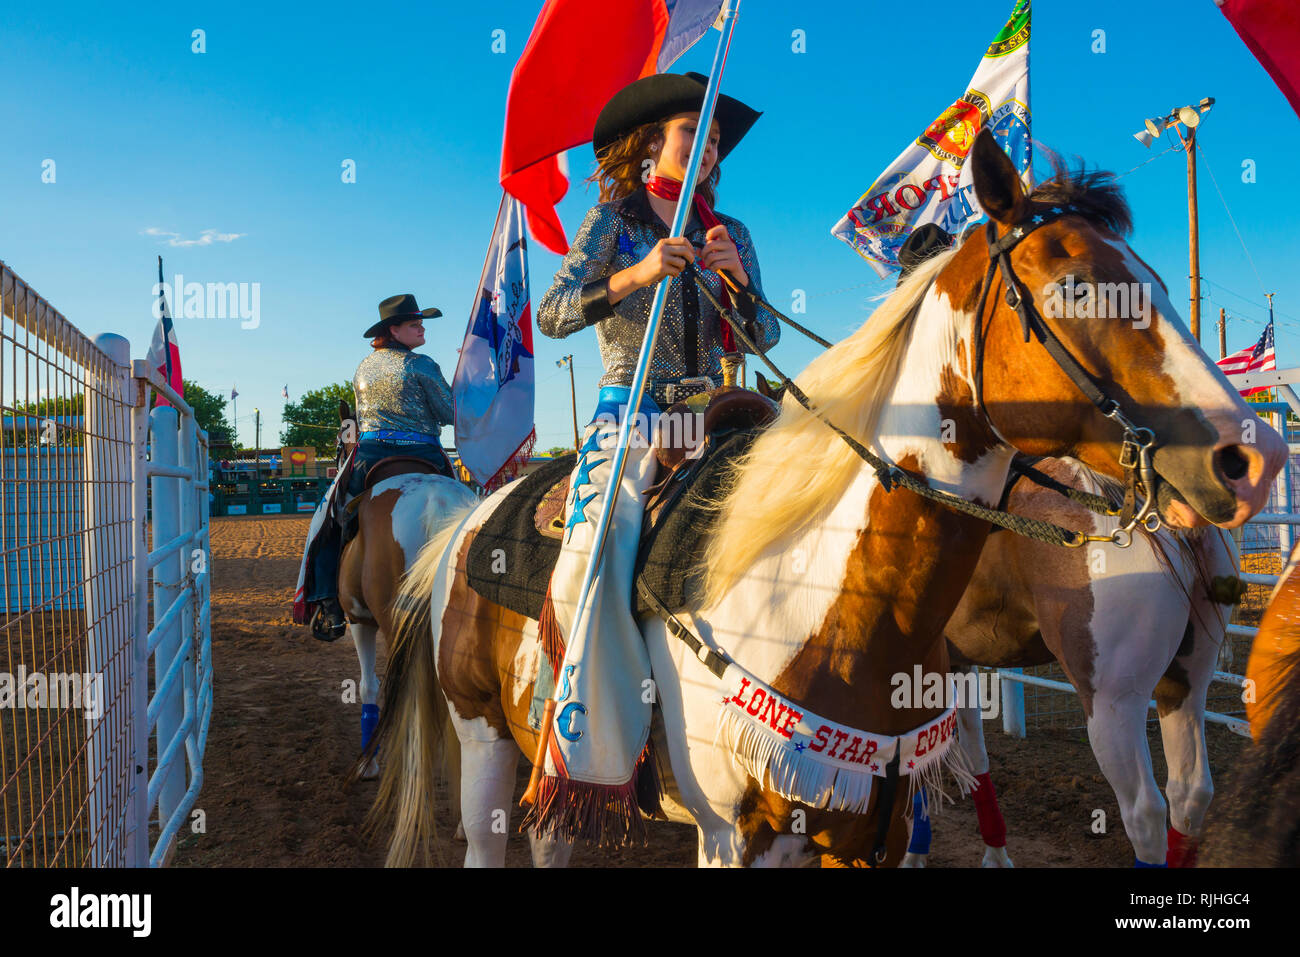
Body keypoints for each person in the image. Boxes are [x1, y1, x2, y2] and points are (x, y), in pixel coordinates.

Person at [530, 72, 779, 801]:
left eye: (714, 138)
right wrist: (636, 273)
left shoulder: (730, 231)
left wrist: (741, 289)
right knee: (598, 544)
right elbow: (551, 314)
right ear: (649, 145)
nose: (707, 146)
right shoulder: (614, 220)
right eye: (689, 131)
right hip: (633, 411)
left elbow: (761, 337)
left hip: (721, 408)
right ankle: (583, 714)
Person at [302, 293, 456, 641]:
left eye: (421, 322)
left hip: (370, 456)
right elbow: (450, 413)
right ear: (394, 329)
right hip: (425, 453)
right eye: (415, 323)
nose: (421, 328)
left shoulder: (363, 367)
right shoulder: (422, 364)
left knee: (330, 519)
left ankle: (327, 603)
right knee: (470, 506)